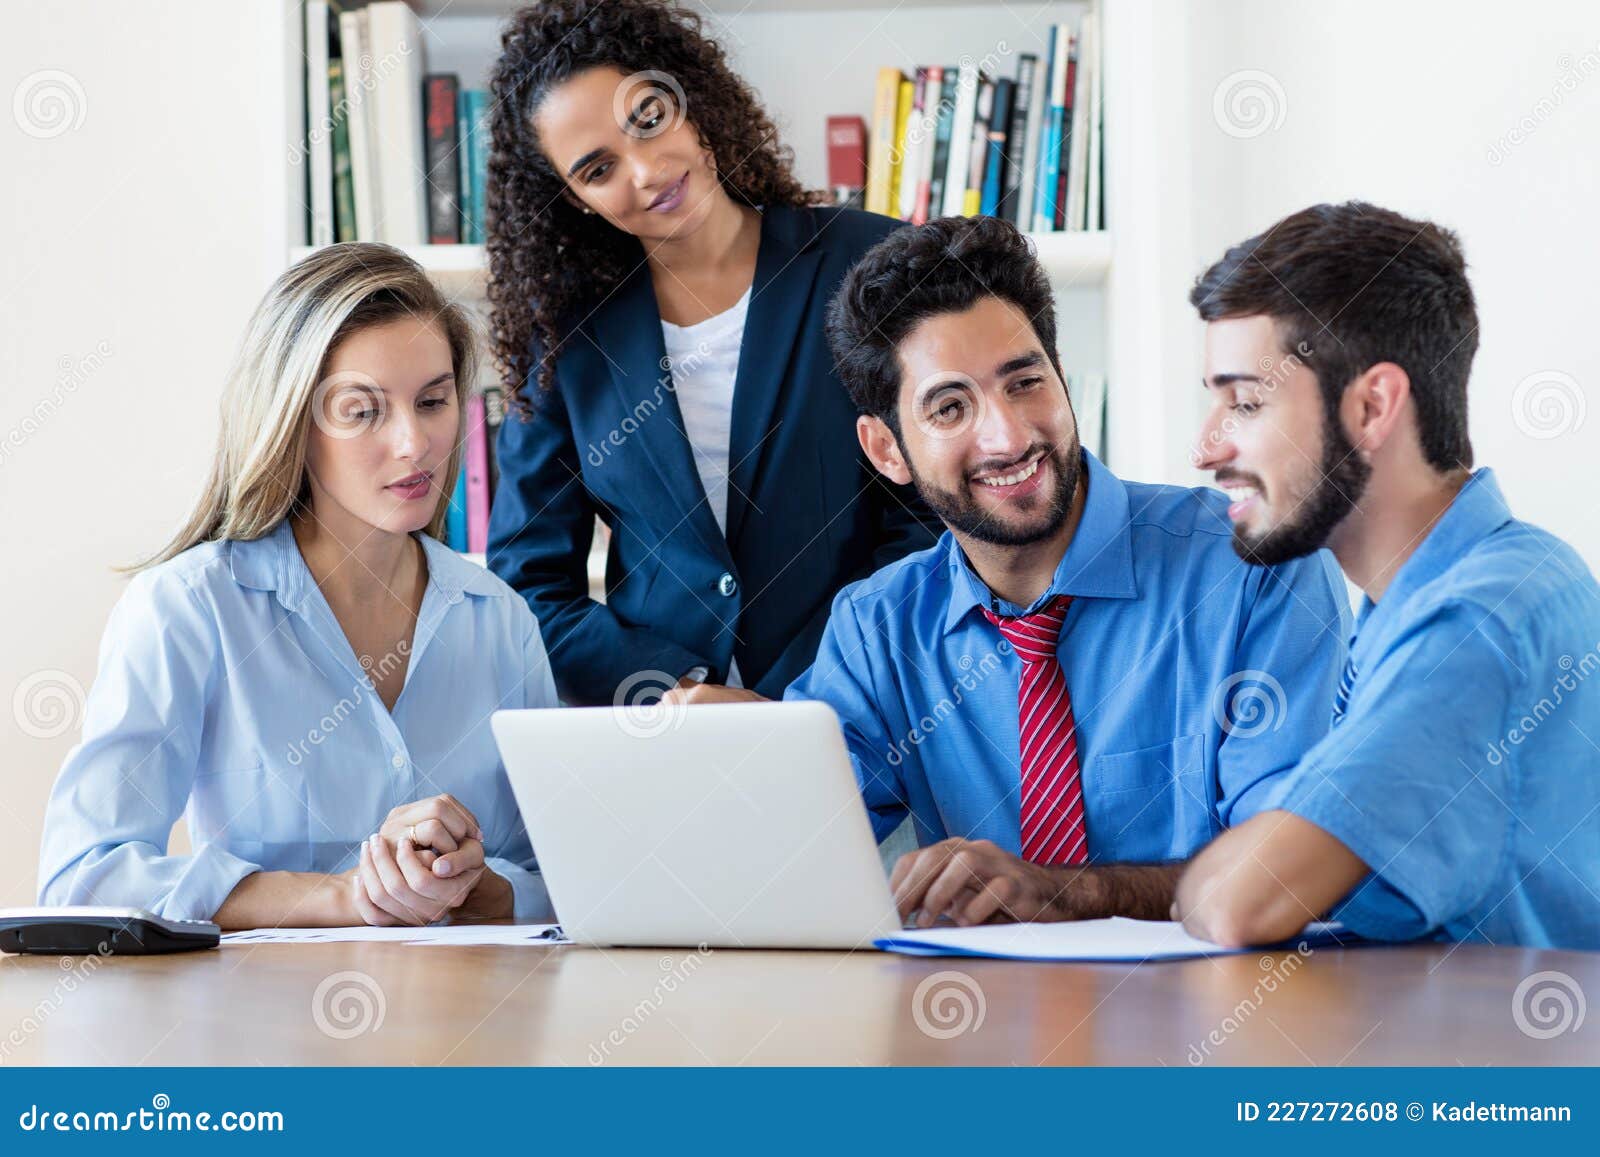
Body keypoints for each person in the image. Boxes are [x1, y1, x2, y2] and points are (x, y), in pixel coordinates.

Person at [689, 214, 1350, 928]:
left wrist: (1070, 892)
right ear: (887, 450)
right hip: (979, 1027)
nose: (1007, 436)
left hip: (1220, 1020)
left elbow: (1290, 873)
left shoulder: (1255, 564)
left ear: (1063, 380)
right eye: (949, 406)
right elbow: (793, 848)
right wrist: (733, 759)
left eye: (1025, 382)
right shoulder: (877, 628)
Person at [37, 244, 559, 929]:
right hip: (265, 1027)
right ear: (294, 423)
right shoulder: (190, 609)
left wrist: (475, 885)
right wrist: (346, 896)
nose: (414, 443)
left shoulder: (498, 619)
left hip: (477, 1025)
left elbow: (558, 879)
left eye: (432, 401)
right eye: (363, 410)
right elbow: (83, 877)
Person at [483, 0, 937, 707]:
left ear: (687, 98)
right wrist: (679, 687)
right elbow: (527, 584)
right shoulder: (568, 343)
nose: (646, 170)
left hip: (870, 715)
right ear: (573, 199)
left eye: (648, 120)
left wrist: (803, 693)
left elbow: (932, 521)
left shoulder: (871, 264)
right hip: (668, 742)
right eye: (598, 168)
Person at [1174, 202, 1600, 950]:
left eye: (1244, 402)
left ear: (1371, 407)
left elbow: (1241, 903)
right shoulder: (1420, 601)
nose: (1206, 448)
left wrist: (1225, 871)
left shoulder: (1478, 620)